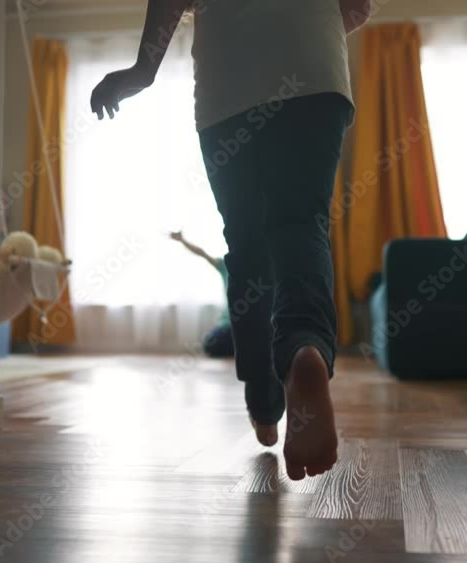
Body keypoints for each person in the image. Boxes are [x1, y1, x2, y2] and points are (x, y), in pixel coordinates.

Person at [90, 0, 372, 480]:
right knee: (301, 223)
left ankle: (265, 404)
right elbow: (358, 6)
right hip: (312, 68)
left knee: (246, 249)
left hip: (230, 84)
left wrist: (142, 71)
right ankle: (305, 351)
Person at [168, 230, 234, 358]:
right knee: (210, 344)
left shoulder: (254, 269)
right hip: (227, 326)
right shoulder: (225, 266)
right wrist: (182, 240)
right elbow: (202, 253)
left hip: (249, 325)